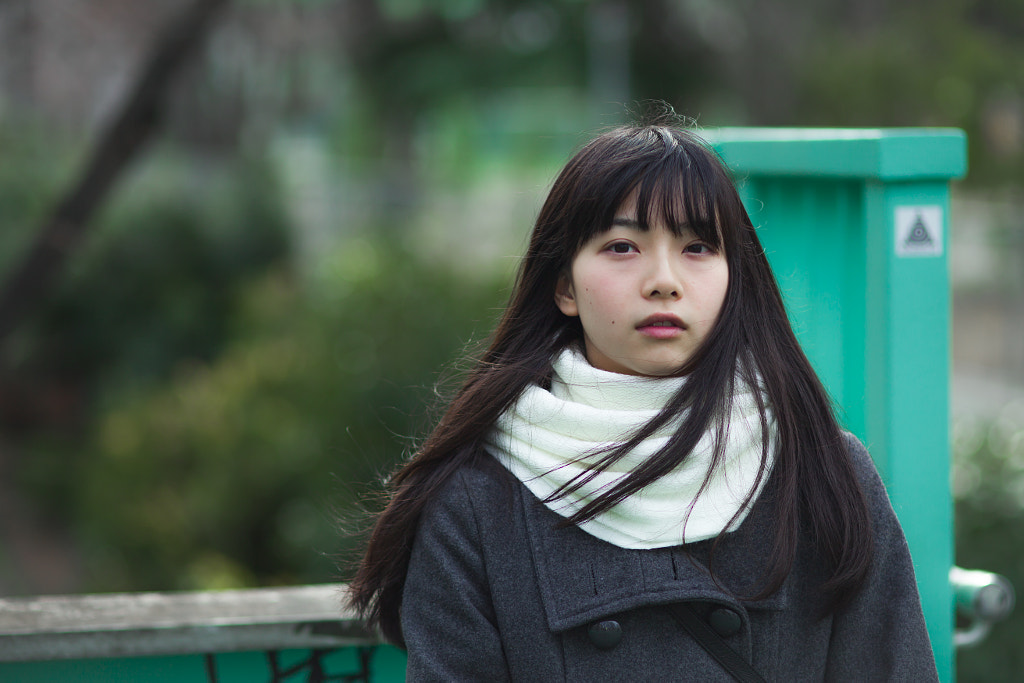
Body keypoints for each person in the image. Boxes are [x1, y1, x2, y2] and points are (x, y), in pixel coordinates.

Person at [349, 121, 938, 681]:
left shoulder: (824, 473)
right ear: (563, 286)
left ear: (736, 277)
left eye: (699, 247)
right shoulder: (475, 503)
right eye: (623, 247)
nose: (664, 280)